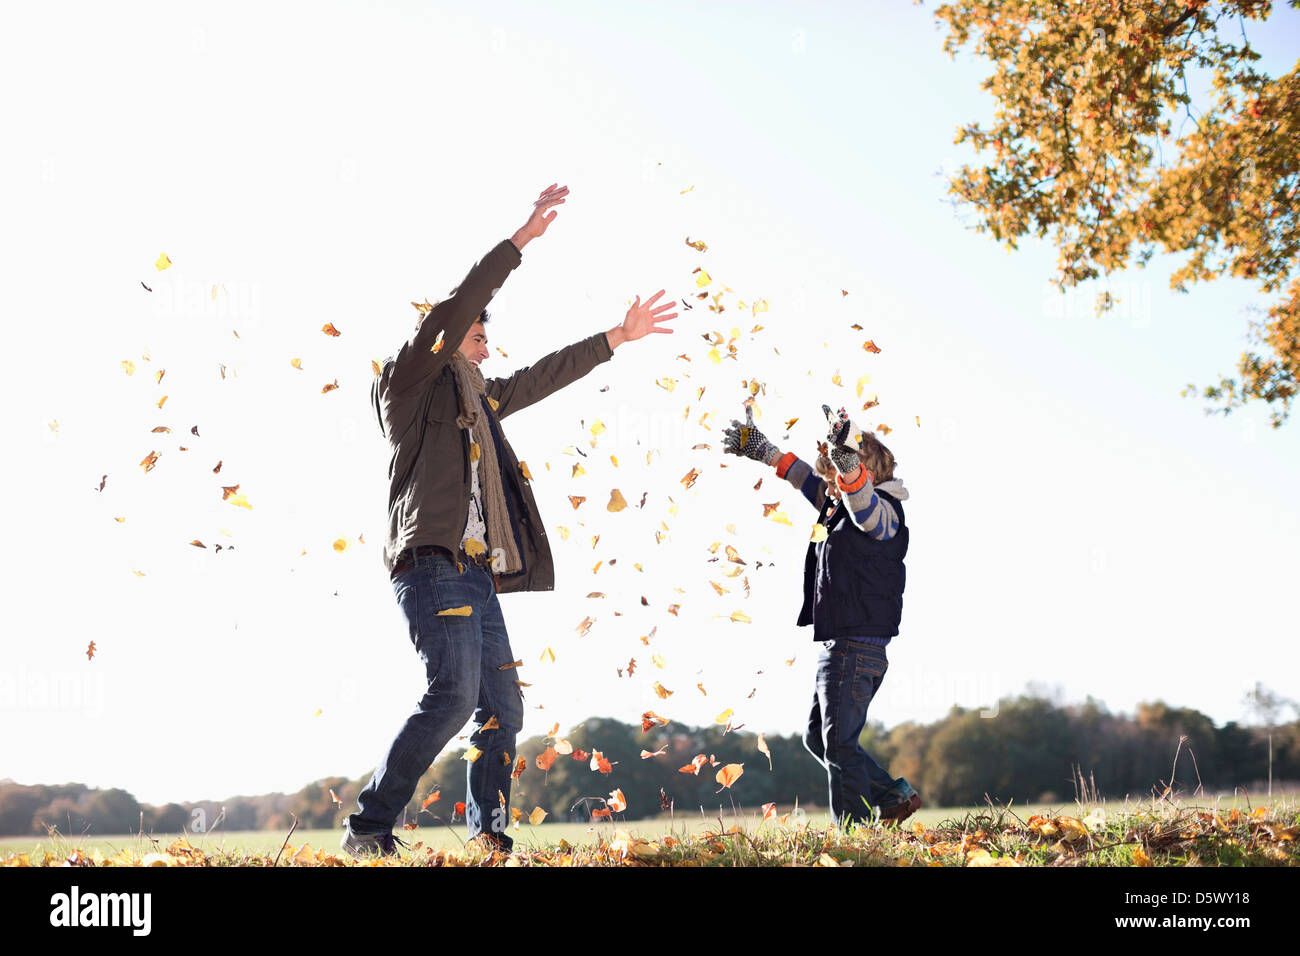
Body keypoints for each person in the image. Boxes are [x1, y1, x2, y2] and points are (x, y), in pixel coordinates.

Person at [342, 185, 677, 857]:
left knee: (502, 706)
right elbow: (456, 307)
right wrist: (520, 243)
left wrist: (617, 336)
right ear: (442, 342)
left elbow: (542, 376)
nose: (487, 351)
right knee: (454, 694)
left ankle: (487, 835)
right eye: (477, 337)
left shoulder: (479, 401)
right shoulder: (410, 386)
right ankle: (367, 829)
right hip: (432, 564)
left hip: (473, 573)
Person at [722, 404, 921, 828]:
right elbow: (805, 482)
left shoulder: (884, 513)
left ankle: (849, 833)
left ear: (861, 472)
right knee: (820, 738)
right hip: (842, 643)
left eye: (838, 476)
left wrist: (847, 469)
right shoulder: (839, 507)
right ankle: (890, 794)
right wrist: (764, 450)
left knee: (840, 745)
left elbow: (863, 505)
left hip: (856, 645)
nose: (829, 486)